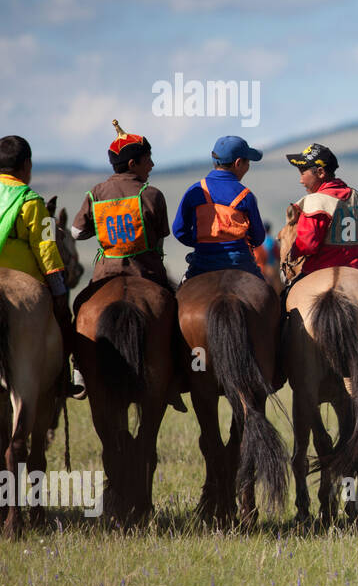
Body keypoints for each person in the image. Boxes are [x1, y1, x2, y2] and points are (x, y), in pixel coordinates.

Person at [69, 122, 179, 405]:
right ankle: (177, 375)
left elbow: (77, 233)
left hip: (105, 276)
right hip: (148, 275)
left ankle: (79, 368)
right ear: (133, 163)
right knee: (176, 314)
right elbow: (161, 235)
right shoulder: (151, 194)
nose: (152, 165)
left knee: (79, 306)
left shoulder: (96, 193)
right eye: (148, 159)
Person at [0, 135, 75, 390]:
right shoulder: (33, 202)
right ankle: (63, 380)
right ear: (27, 166)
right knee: (64, 321)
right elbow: (46, 247)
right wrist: (59, 291)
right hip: (25, 281)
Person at [172, 136, 266, 280]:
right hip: (240, 263)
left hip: (202, 263)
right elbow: (258, 237)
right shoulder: (246, 195)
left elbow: (179, 230)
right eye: (248, 162)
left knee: (179, 297)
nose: (248, 167)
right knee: (266, 295)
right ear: (238, 163)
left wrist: (202, 243)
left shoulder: (195, 190)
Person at [282, 143, 358, 284]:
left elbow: (308, 243)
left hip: (323, 269)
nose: (301, 180)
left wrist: (294, 252)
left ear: (320, 172)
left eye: (303, 173)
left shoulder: (315, 202)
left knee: (286, 297)